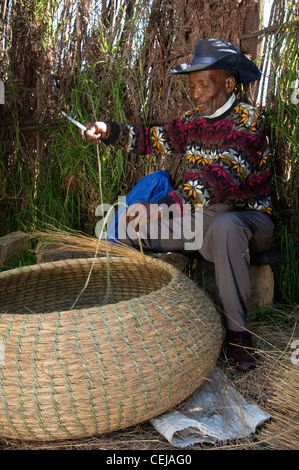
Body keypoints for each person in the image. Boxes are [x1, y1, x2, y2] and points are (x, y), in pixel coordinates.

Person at [81, 38, 275, 371]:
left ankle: (238, 338)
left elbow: (221, 176)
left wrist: (166, 206)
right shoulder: (191, 120)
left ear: (229, 84)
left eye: (204, 84)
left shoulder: (250, 122)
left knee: (227, 227)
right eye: (192, 85)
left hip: (247, 221)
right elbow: (152, 139)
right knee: (127, 226)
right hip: (201, 219)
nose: (196, 92)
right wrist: (110, 131)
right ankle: (133, 320)